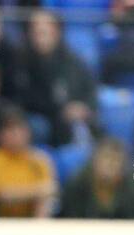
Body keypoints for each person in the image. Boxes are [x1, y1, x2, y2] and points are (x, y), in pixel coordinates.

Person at [19, 10, 98, 149]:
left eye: (45, 32)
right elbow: (23, 97)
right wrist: (61, 110)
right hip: (40, 118)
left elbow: (90, 90)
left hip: (72, 119)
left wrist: (84, 108)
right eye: (36, 32)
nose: (40, 38)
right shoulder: (22, 61)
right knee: (38, 126)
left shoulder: (73, 61)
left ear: (57, 33)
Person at [0, 106, 57, 218]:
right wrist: (37, 190)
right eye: (10, 130)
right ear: (0, 135)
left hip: (31, 223)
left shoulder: (40, 159)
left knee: (45, 202)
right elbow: (2, 195)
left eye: (20, 129)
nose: (16, 135)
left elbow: (50, 190)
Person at [58, 137, 134, 219]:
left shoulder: (130, 187)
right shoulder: (77, 185)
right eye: (107, 157)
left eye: (116, 160)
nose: (111, 164)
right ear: (95, 161)